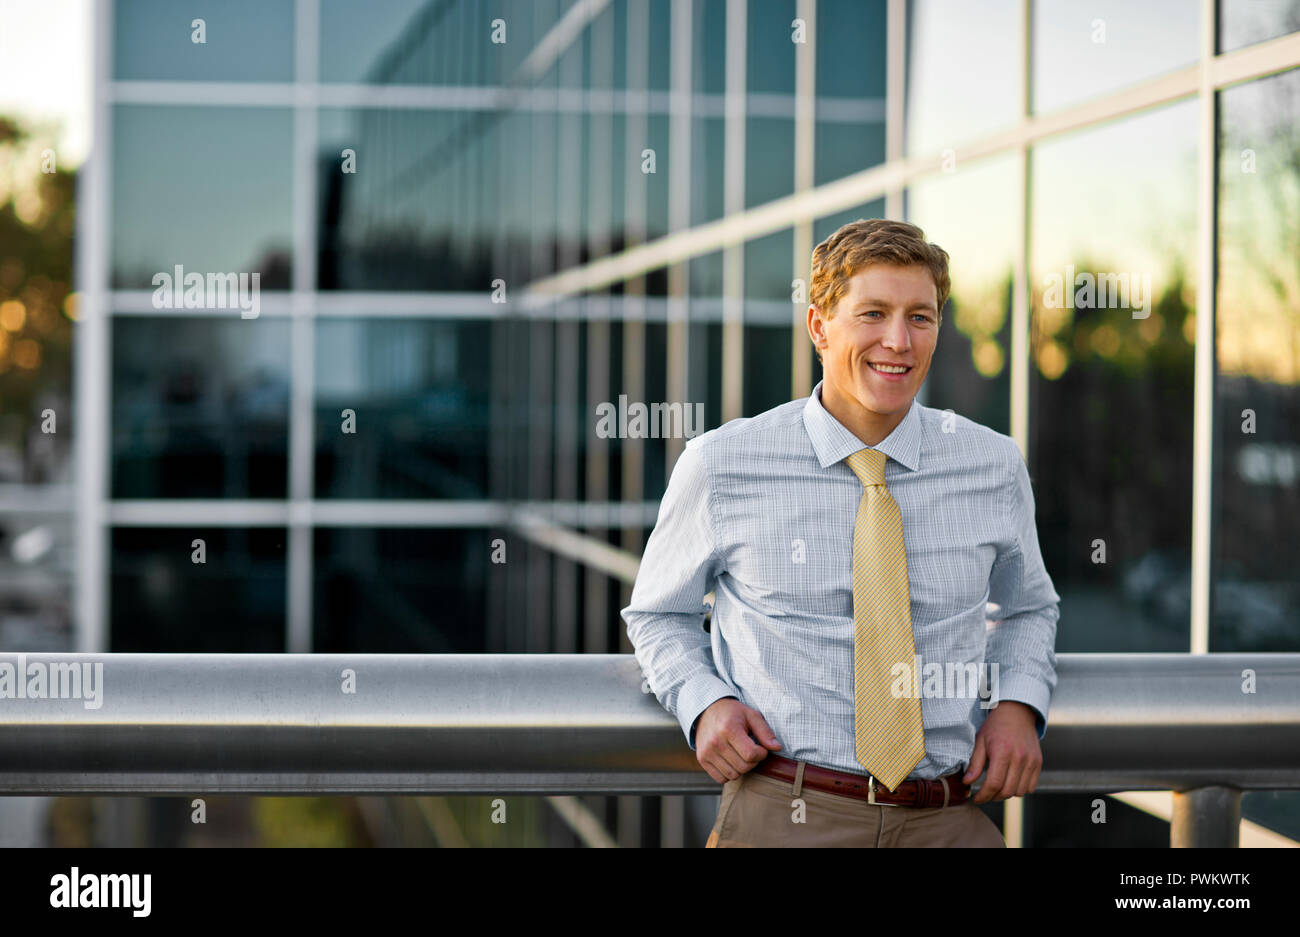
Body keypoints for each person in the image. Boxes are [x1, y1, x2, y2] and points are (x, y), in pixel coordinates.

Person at [621, 218, 1060, 847]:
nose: (898, 341)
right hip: (783, 813)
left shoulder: (991, 465)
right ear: (819, 326)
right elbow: (660, 614)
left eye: (921, 317)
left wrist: (1018, 704)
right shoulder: (723, 463)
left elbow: (1028, 607)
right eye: (873, 313)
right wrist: (703, 703)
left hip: (949, 816)